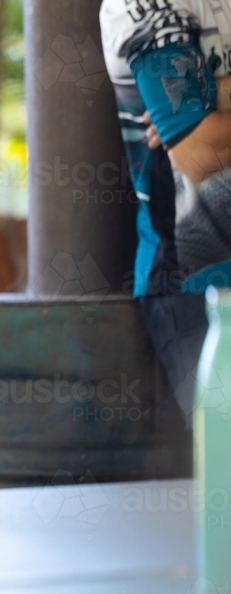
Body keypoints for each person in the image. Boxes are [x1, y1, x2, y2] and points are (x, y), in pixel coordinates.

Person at [101, 0, 231, 418]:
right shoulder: (142, 5)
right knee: (224, 461)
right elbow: (198, 151)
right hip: (197, 280)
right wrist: (206, 121)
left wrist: (218, 97)